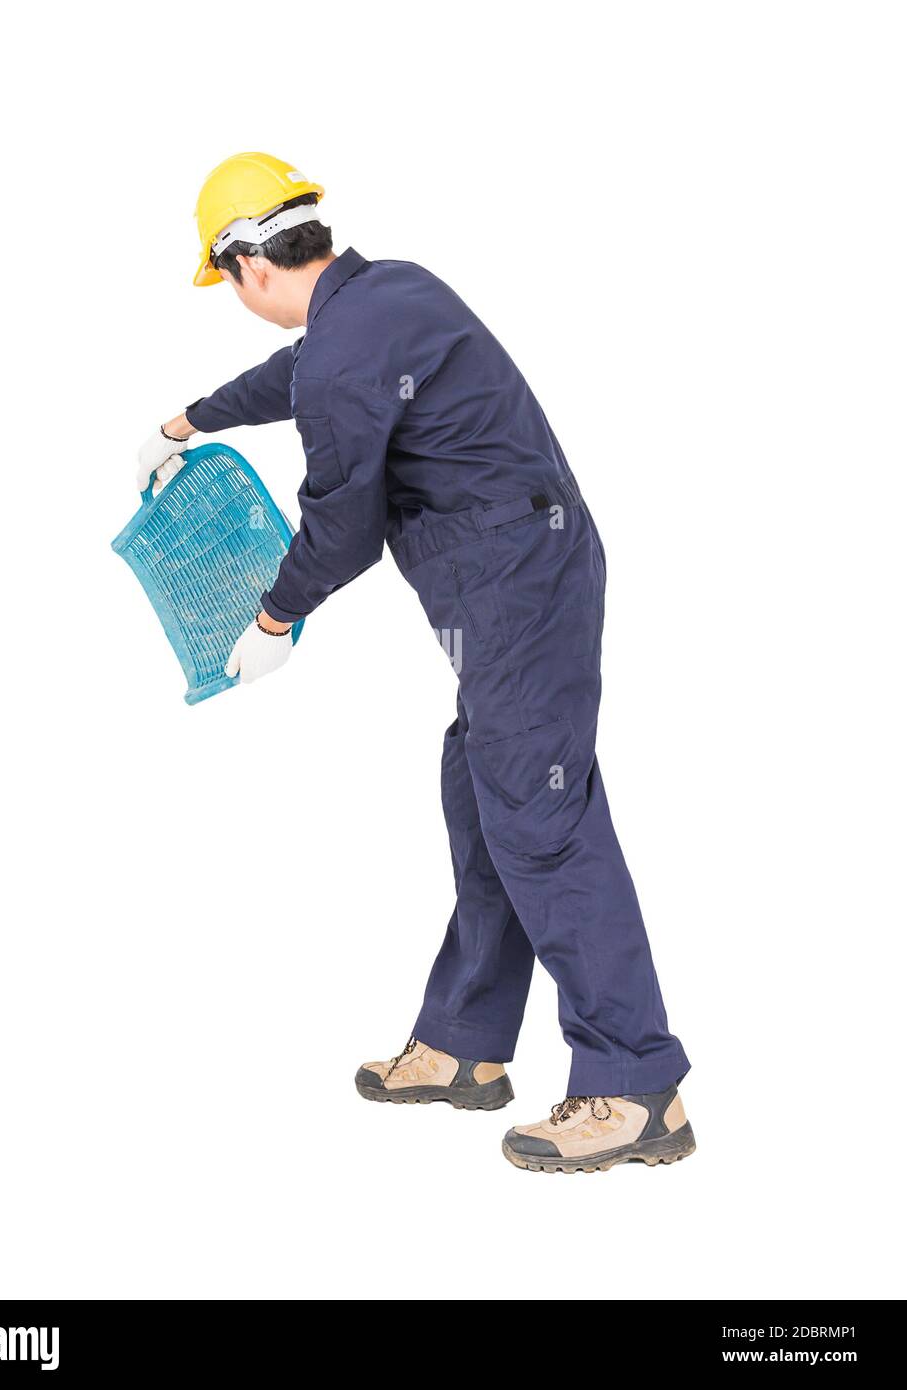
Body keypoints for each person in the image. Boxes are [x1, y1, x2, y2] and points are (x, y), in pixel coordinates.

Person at [138, 152, 695, 1174]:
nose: (237, 301)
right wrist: (191, 419)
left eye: (226, 286)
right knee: (486, 796)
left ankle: (634, 1082)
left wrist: (270, 622)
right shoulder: (386, 291)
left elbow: (340, 526)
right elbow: (302, 376)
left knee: (541, 815)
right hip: (510, 578)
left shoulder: (349, 345)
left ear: (249, 268)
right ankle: (467, 1048)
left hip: (517, 582)